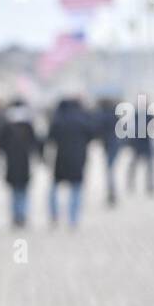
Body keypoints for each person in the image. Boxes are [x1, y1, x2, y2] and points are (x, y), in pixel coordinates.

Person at [45, 96, 95, 228]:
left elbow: (50, 138)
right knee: (76, 189)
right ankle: (73, 219)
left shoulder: (58, 120)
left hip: (61, 159)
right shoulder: (83, 120)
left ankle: (54, 215)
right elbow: (92, 135)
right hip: (78, 158)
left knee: (54, 188)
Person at [0, 96, 42, 228]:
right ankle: (22, 215)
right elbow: (35, 144)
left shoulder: (6, 125)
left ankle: (16, 216)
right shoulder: (28, 126)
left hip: (11, 162)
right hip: (24, 163)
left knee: (14, 192)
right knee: (23, 191)